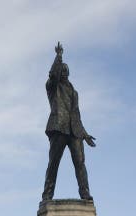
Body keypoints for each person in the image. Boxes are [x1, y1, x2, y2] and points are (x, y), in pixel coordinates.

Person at [42, 42, 96, 201]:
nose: (63, 72)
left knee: (80, 163)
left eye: (66, 70)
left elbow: (76, 115)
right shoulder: (52, 87)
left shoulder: (74, 92)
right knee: (53, 164)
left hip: (74, 131)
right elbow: (53, 75)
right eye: (61, 70)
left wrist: (85, 135)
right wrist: (58, 56)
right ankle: (47, 195)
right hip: (58, 128)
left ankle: (85, 193)